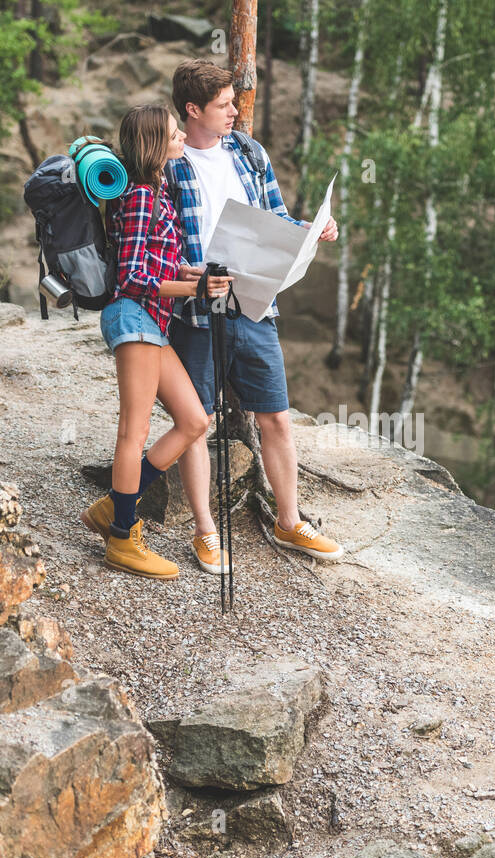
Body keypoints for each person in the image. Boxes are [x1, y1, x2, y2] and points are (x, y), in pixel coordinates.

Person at [165, 58, 344, 576]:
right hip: (195, 310)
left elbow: (275, 218)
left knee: (276, 416)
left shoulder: (248, 151)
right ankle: (206, 532)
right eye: (223, 105)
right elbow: (157, 242)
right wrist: (188, 274)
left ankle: (289, 521)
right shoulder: (168, 162)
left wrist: (308, 228)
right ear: (192, 109)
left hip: (254, 304)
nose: (233, 112)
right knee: (195, 423)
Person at [80, 104, 233, 579]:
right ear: (154, 144)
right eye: (173, 135)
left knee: (194, 420)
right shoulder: (140, 195)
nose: (181, 138)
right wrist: (193, 290)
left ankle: (114, 507)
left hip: (151, 322)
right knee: (134, 431)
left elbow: (154, 261)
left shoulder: (157, 191)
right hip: (133, 317)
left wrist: (192, 273)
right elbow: (131, 276)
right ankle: (123, 538)